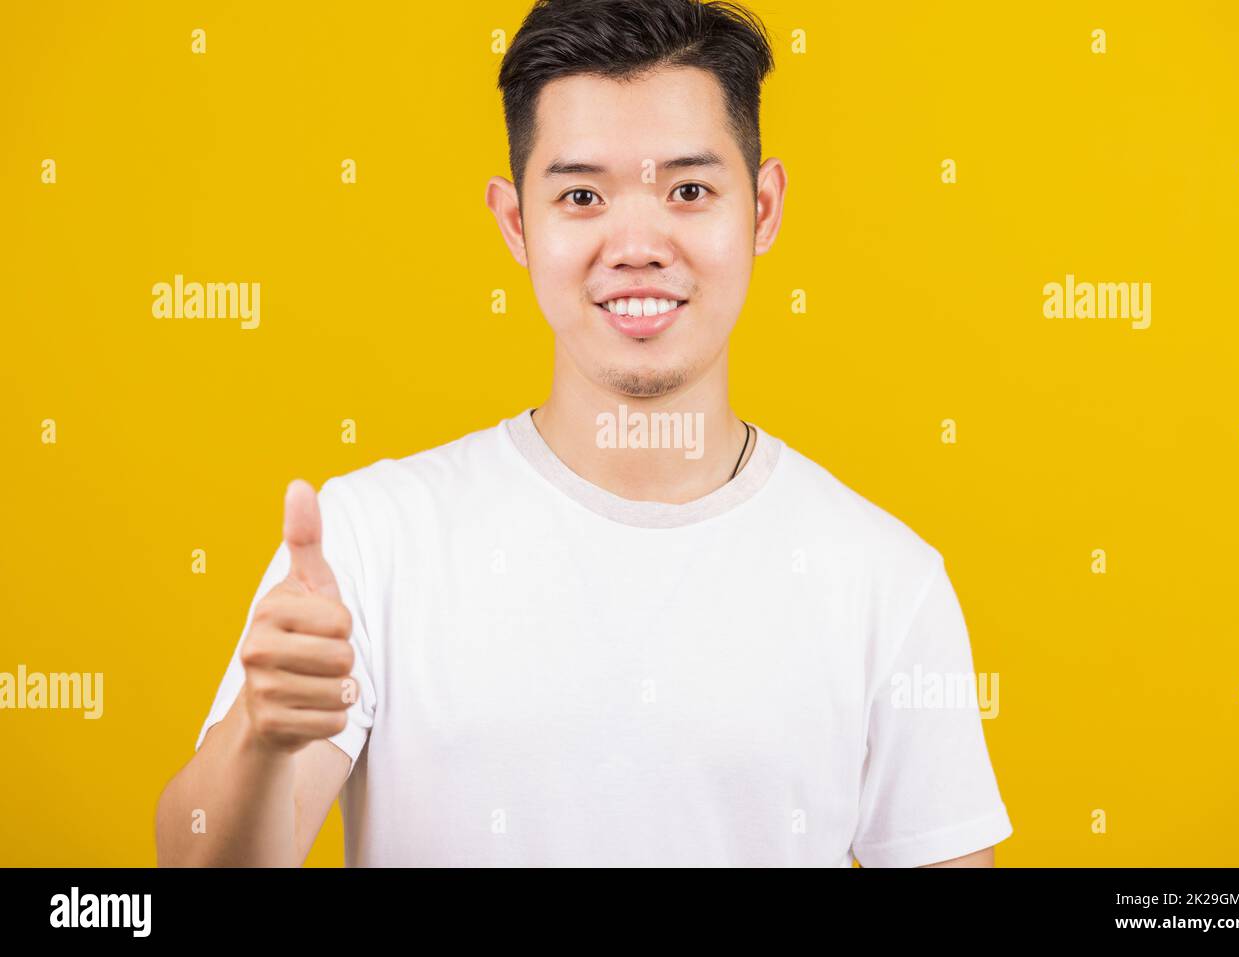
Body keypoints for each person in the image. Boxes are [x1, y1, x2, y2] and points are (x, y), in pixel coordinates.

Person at [155, 0, 1012, 867]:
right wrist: (258, 741)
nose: (636, 243)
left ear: (762, 208)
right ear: (515, 223)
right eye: (581, 196)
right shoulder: (368, 545)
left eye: (688, 190)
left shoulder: (886, 582)